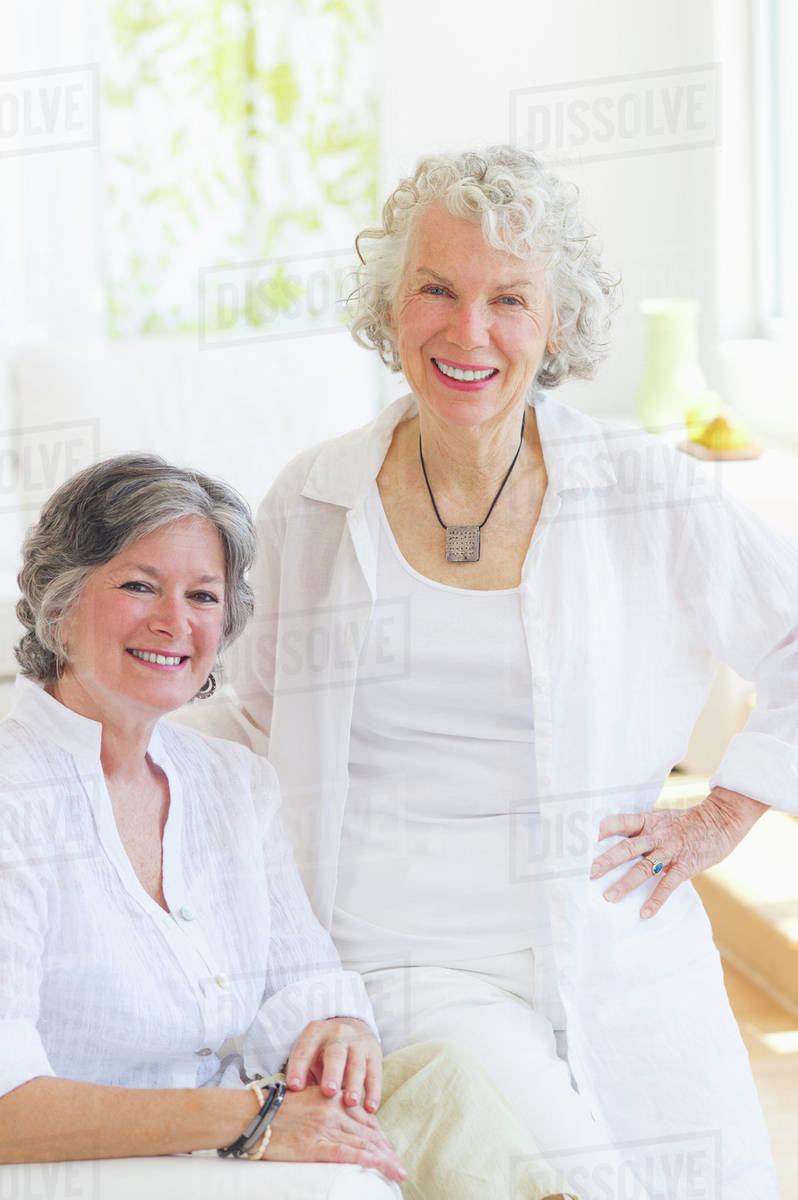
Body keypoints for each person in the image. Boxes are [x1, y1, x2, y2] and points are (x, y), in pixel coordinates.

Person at [221, 147, 798, 1200]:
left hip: (618, 947)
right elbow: (243, 735)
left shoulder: (642, 488)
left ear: (555, 323)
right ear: (391, 304)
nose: (467, 332)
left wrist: (720, 816)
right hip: (406, 958)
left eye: (509, 299)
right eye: (436, 288)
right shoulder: (313, 500)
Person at [0, 453, 572, 1200]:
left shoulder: (232, 783)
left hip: (224, 1132)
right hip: (69, 1166)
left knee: (444, 1082)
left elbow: (305, 985)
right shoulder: (16, 799)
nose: (175, 621)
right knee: (345, 1186)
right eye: (139, 585)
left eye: (203, 595)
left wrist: (340, 1031)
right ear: (59, 602)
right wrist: (256, 1118)